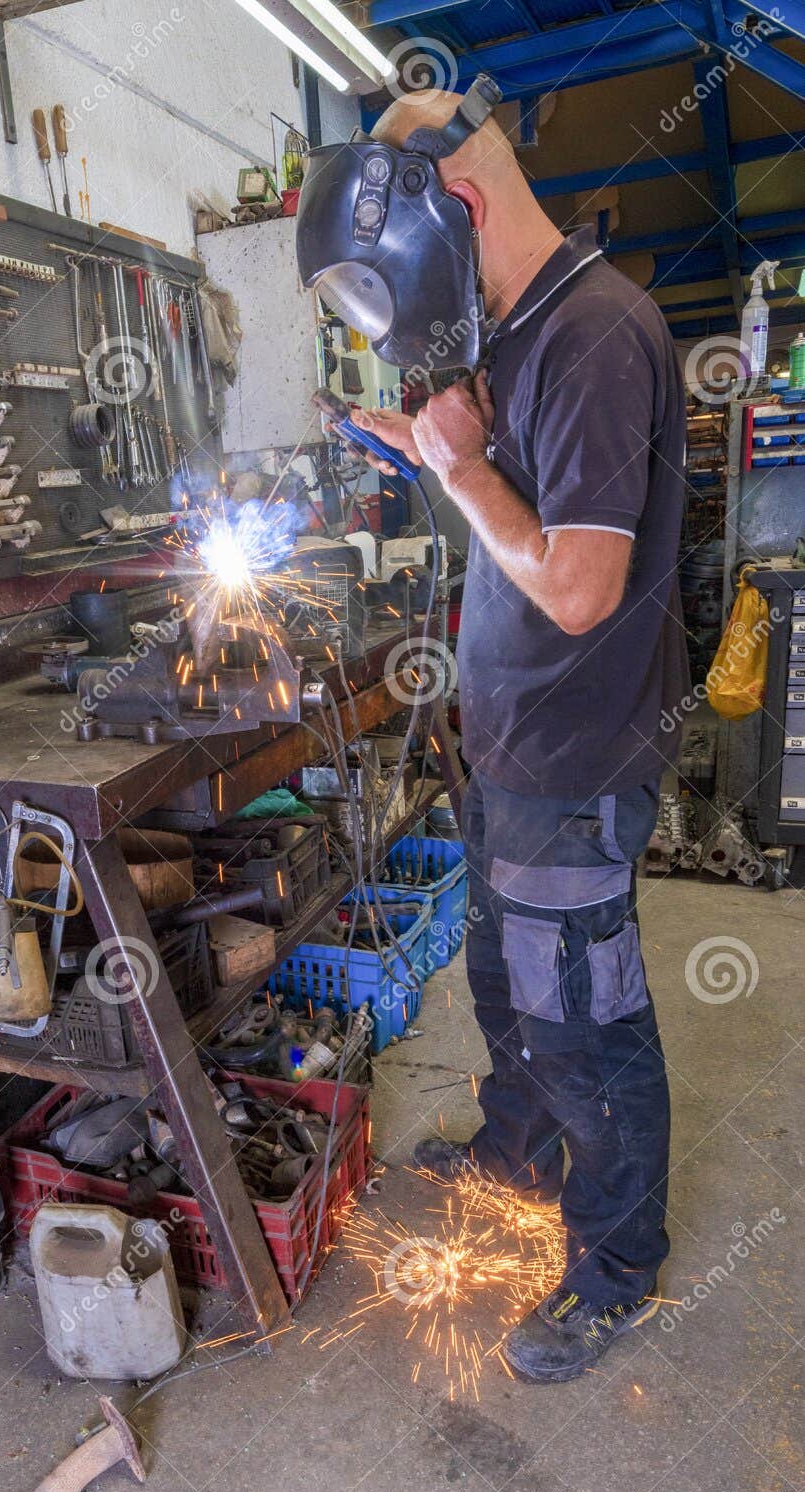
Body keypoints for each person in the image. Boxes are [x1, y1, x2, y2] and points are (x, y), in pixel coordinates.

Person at [297, 89, 688, 1382]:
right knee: (503, 981)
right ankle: (515, 1145)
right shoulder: (514, 338)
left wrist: (460, 471)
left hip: (578, 763)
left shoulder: (592, 337)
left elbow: (577, 584)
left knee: (586, 1026)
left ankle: (618, 1266)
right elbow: (521, 509)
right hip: (513, 744)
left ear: (458, 210)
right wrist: (428, 445)